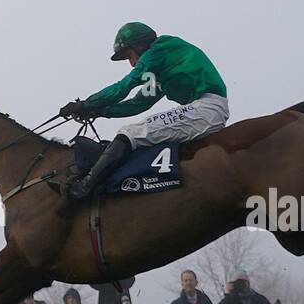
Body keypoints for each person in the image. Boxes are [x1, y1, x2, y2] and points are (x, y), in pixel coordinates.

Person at [59, 22, 229, 201]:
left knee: (130, 133)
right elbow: (138, 104)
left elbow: (124, 86)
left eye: (129, 56)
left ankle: (85, 187)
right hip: (200, 110)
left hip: (207, 108)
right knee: (136, 134)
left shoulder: (157, 52)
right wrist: (99, 112)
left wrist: (87, 104)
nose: (132, 63)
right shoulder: (161, 70)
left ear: (140, 46)